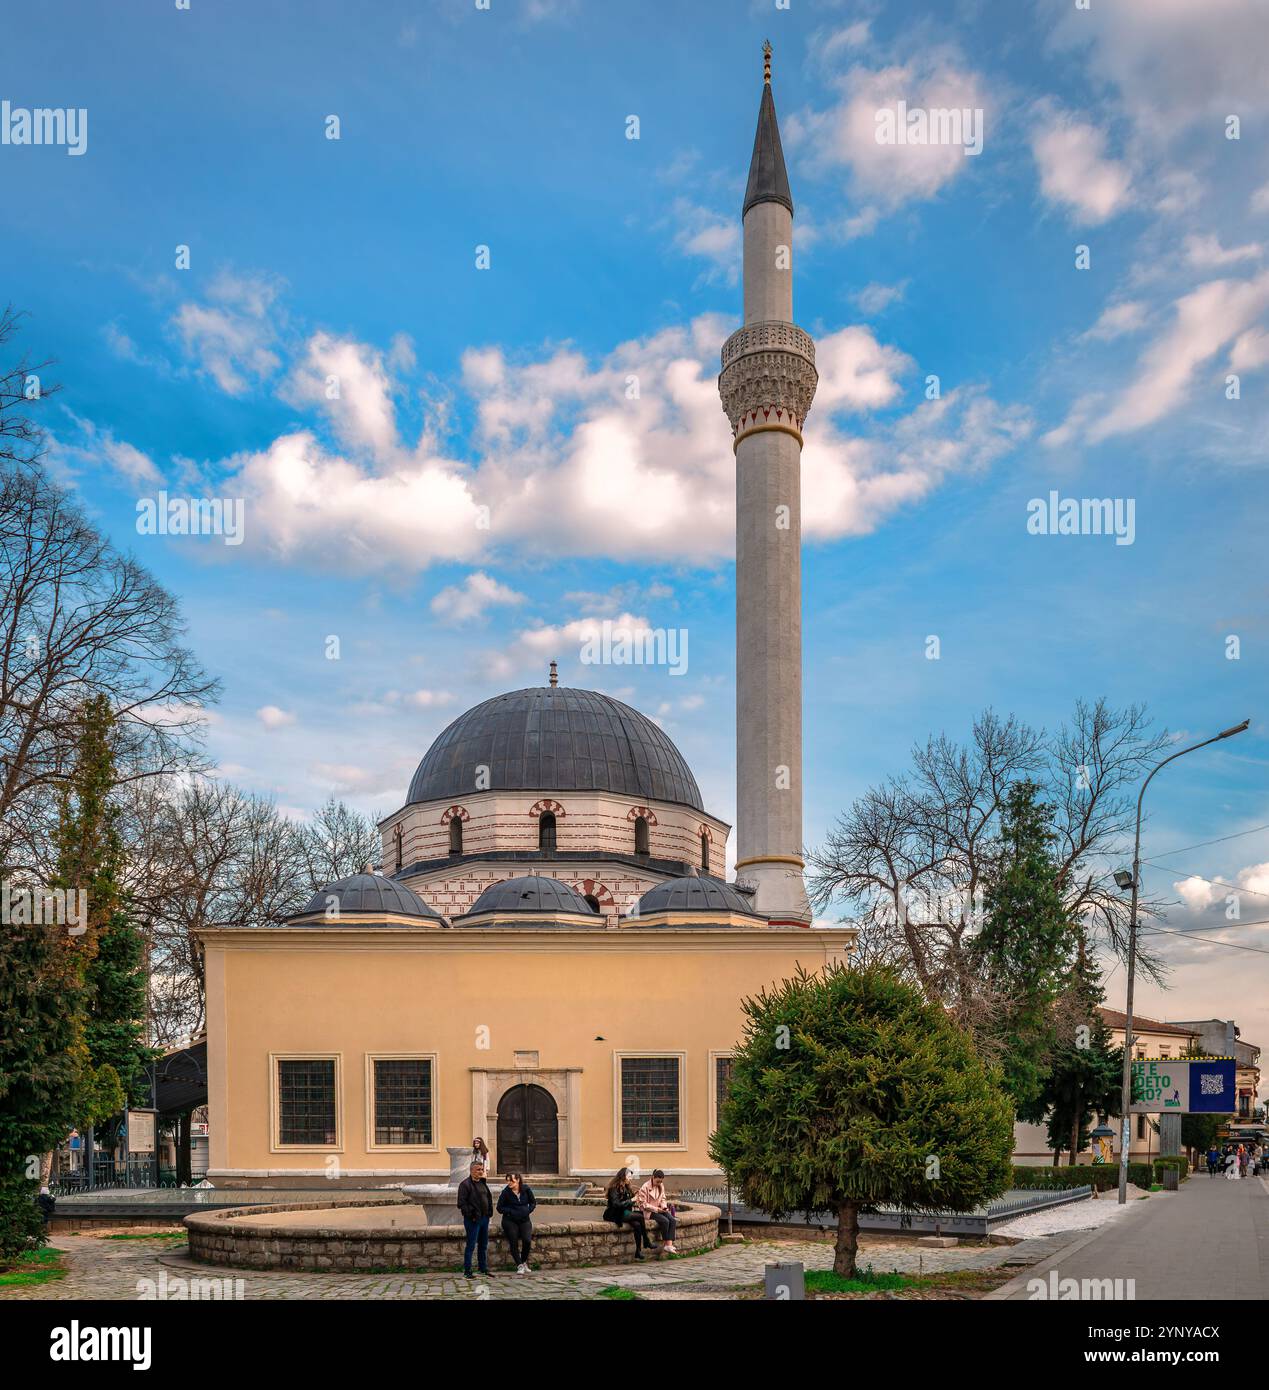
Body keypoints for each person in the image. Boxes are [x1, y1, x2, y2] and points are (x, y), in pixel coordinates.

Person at [457, 1159, 495, 1278]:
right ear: (471, 1170)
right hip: (473, 1220)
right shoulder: (465, 1185)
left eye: (482, 1169)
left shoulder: (483, 1183)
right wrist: (472, 1216)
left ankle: (482, 1268)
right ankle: (467, 1271)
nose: (480, 1171)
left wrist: (489, 1213)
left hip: (484, 1219)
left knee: (483, 1245)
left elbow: (488, 1198)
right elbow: (461, 1204)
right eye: (478, 1169)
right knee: (471, 1245)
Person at [603, 1167, 649, 1260]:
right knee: (640, 1216)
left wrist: (636, 1197)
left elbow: (629, 1201)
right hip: (614, 1214)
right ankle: (646, 1240)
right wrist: (631, 1200)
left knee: (637, 1225)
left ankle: (638, 1251)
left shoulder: (626, 1187)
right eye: (629, 1176)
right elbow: (616, 1204)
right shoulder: (613, 1188)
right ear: (623, 1176)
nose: (630, 1179)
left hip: (624, 1212)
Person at [497, 1172, 537, 1274]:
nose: (509, 1183)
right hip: (510, 1221)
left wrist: (528, 1210)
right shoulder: (505, 1192)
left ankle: (523, 1262)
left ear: (518, 1180)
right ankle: (519, 1265)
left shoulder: (526, 1190)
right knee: (513, 1241)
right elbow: (499, 1208)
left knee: (527, 1240)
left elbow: (533, 1203)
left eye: (512, 1181)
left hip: (524, 1220)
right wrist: (510, 1211)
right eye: (507, 1181)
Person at [636, 1169, 678, 1254]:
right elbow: (643, 1204)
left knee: (672, 1220)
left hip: (659, 1209)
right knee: (665, 1221)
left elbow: (663, 1198)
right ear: (653, 1178)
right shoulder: (645, 1187)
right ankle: (667, 1244)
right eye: (657, 1181)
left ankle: (669, 1245)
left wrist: (664, 1207)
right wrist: (657, 1209)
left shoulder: (661, 1185)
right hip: (649, 1211)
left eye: (661, 1181)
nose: (659, 1183)